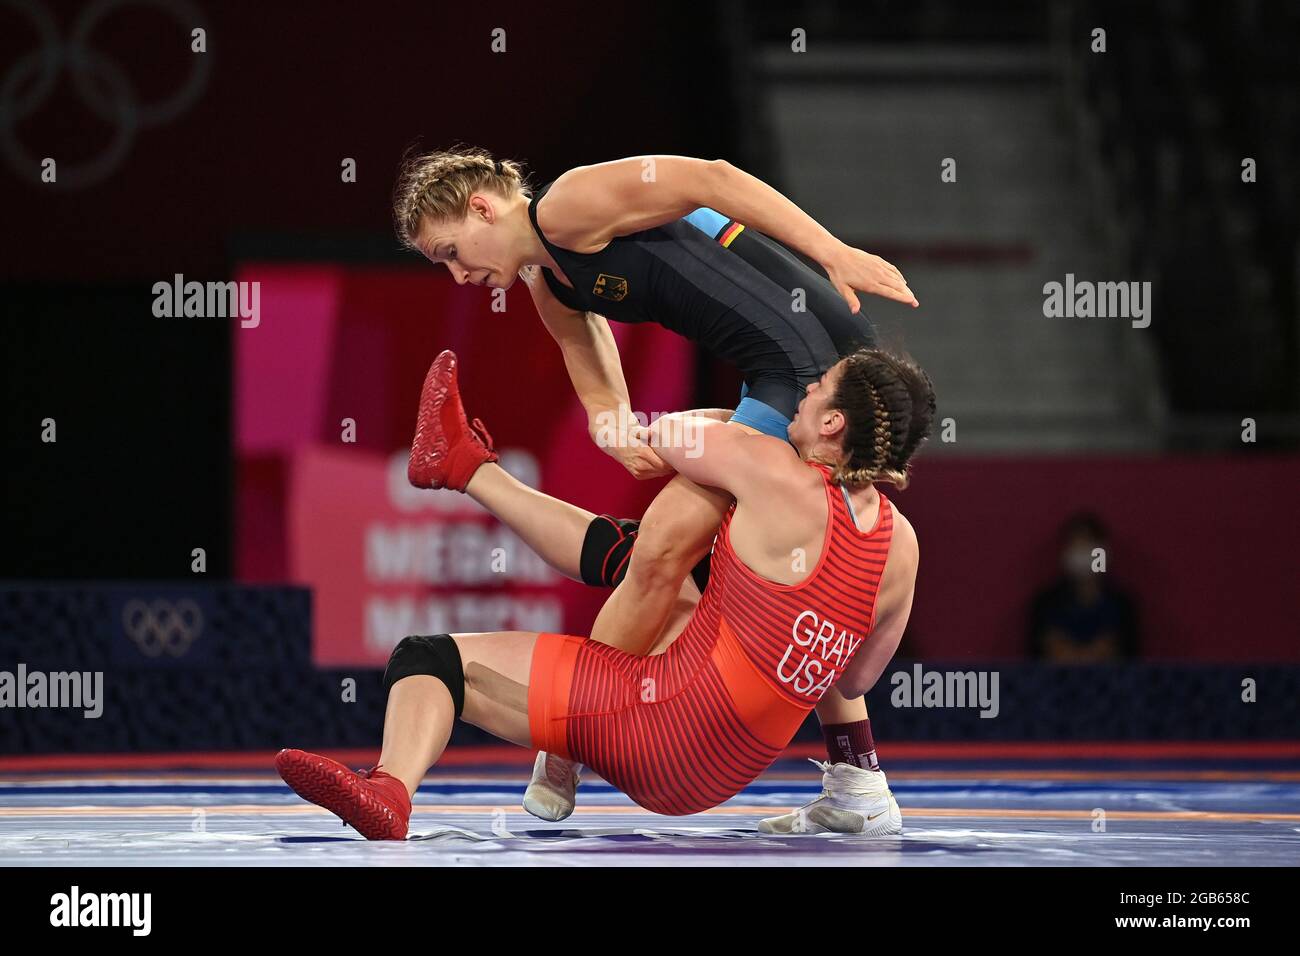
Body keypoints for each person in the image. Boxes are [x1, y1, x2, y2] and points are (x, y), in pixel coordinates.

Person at [392, 147, 919, 822]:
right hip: (782, 369)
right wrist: (614, 428)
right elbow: (591, 362)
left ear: (482, 208)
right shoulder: (547, 281)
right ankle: (856, 777)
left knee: (662, 549)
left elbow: (714, 179)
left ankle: (563, 750)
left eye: (451, 253)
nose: (461, 276)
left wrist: (833, 251)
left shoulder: (567, 204)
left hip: (811, 363)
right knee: (776, 569)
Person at [275, 345, 931, 839]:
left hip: (654, 731)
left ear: (834, 423)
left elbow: (663, 436)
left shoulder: (768, 468)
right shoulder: (901, 547)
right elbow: (850, 679)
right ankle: (463, 465)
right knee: (653, 561)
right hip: (727, 771)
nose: (804, 394)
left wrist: (740, 423)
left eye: (816, 391)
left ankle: (392, 792)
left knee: (424, 659)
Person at [1028, 512, 1139, 662]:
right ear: (1065, 552)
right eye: (1076, 543)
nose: (1083, 550)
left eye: (1089, 543)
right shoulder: (1045, 604)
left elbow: (1131, 657)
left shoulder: (1122, 605)